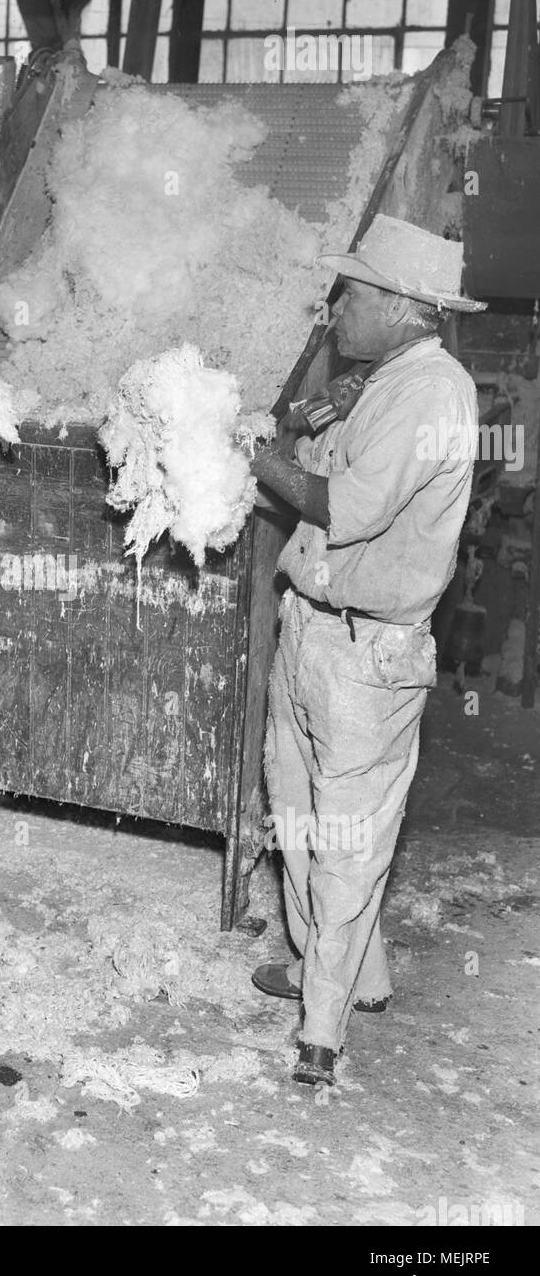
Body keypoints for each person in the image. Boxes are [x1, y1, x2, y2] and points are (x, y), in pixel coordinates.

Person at [249, 214, 485, 1086]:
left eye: (351, 292)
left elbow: (345, 510)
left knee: (346, 836)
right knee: (300, 813)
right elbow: (329, 468)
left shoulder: (431, 392)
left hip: (367, 650)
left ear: (398, 304)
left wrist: (253, 454)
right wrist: (311, 422)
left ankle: (320, 1033)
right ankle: (352, 978)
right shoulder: (384, 378)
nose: (336, 305)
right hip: (315, 626)